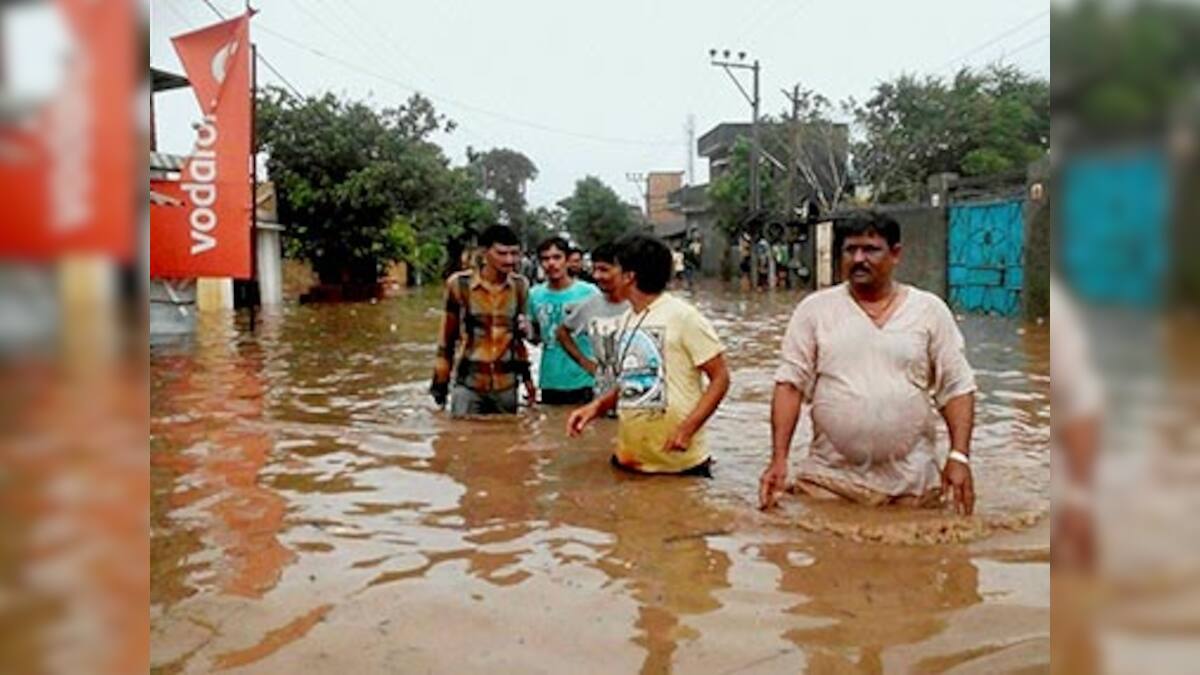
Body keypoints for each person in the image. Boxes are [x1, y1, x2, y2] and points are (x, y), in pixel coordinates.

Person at [758, 211, 978, 513]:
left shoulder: (929, 311)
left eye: (871, 249)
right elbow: (790, 385)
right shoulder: (815, 311)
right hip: (829, 481)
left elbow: (956, 387)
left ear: (895, 254)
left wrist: (959, 456)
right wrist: (778, 458)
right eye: (850, 250)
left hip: (913, 484)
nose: (859, 258)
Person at [567, 234, 731, 476]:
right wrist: (596, 407)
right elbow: (631, 382)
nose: (606, 276)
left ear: (629, 276)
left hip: (680, 462)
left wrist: (688, 429)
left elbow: (721, 378)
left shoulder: (684, 317)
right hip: (630, 459)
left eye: (615, 268)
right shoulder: (625, 320)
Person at [430, 225, 536, 417]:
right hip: (469, 385)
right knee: (462, 439)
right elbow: (447, 339)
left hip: (506, 385)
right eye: (502, 254)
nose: (510, 260)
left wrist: (528, 381)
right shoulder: (459, 285)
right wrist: (440, 383)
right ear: (484, 252)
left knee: (508, 442)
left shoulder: (520, 286)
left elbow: (518, 342)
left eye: (514, 254)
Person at [555, 242, 630, 408]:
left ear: (625, 271)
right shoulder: (590, 305)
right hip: (602, 401)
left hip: (638, 400)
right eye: (594, 269)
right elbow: (562, 333)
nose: (596, 276)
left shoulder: (640, 305)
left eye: (604, 270)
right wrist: (585, 363)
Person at [528, 237, 600, 405]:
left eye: (557, 257)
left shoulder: (589, 293)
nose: (551, 264)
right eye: (545, 259)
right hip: (549, 379)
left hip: (583, 378)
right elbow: (536, 338)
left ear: (567, 260)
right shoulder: (534, 295)